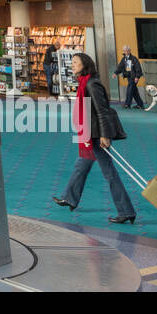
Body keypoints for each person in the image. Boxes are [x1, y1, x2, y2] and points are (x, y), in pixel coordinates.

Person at [52, 53, 136, 224]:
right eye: (72, 62)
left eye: (76, 62)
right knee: (81, 165)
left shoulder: (92, 83)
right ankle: (69, 197)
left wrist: (105, 135)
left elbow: (102, 111)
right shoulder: (85, 82)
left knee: (109, 173)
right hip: (90, 132)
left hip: (97, 135)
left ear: (85, 64)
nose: (72, 64)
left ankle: (126, 211)